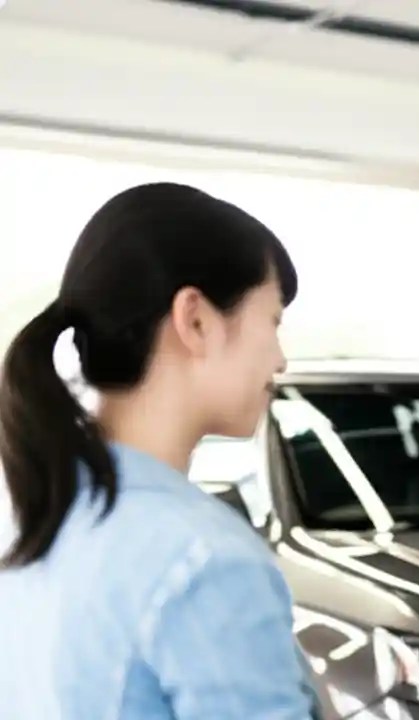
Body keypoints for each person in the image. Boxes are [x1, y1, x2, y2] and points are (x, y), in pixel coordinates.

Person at [0, 182, 317, 718]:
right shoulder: (205, 559)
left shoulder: (33, 517)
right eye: (273, 321)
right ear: (195, 320)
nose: (281, 360)